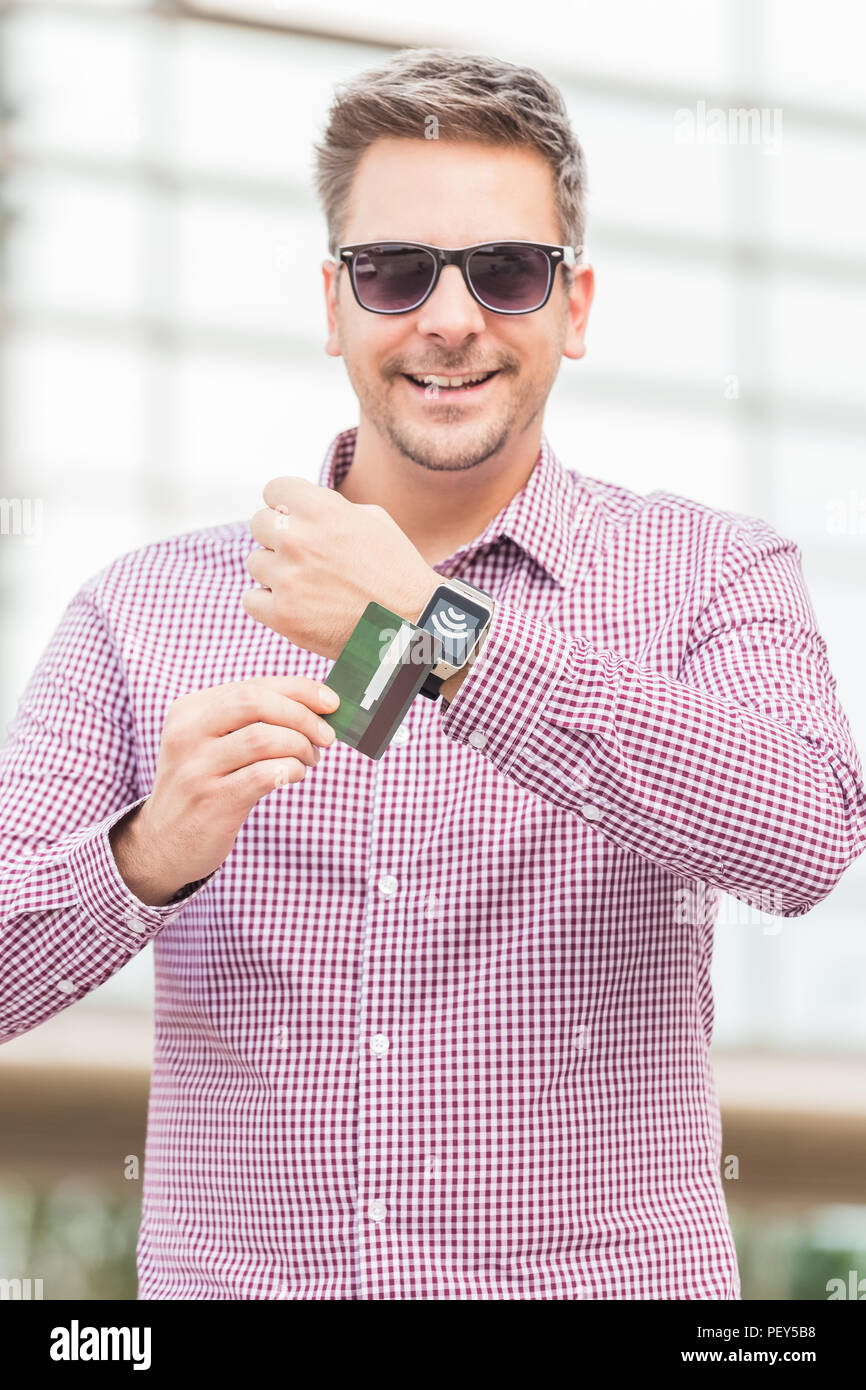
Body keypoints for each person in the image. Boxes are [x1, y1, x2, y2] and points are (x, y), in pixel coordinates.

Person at [1, 47, 864, 1302]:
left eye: (504, 272)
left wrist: (428, 626)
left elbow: (805, 834)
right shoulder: (141, 614)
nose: (448, 318)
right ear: (336, 303)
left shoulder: (712, 573)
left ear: (571, 305)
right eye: (395, 270)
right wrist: (143, 855)